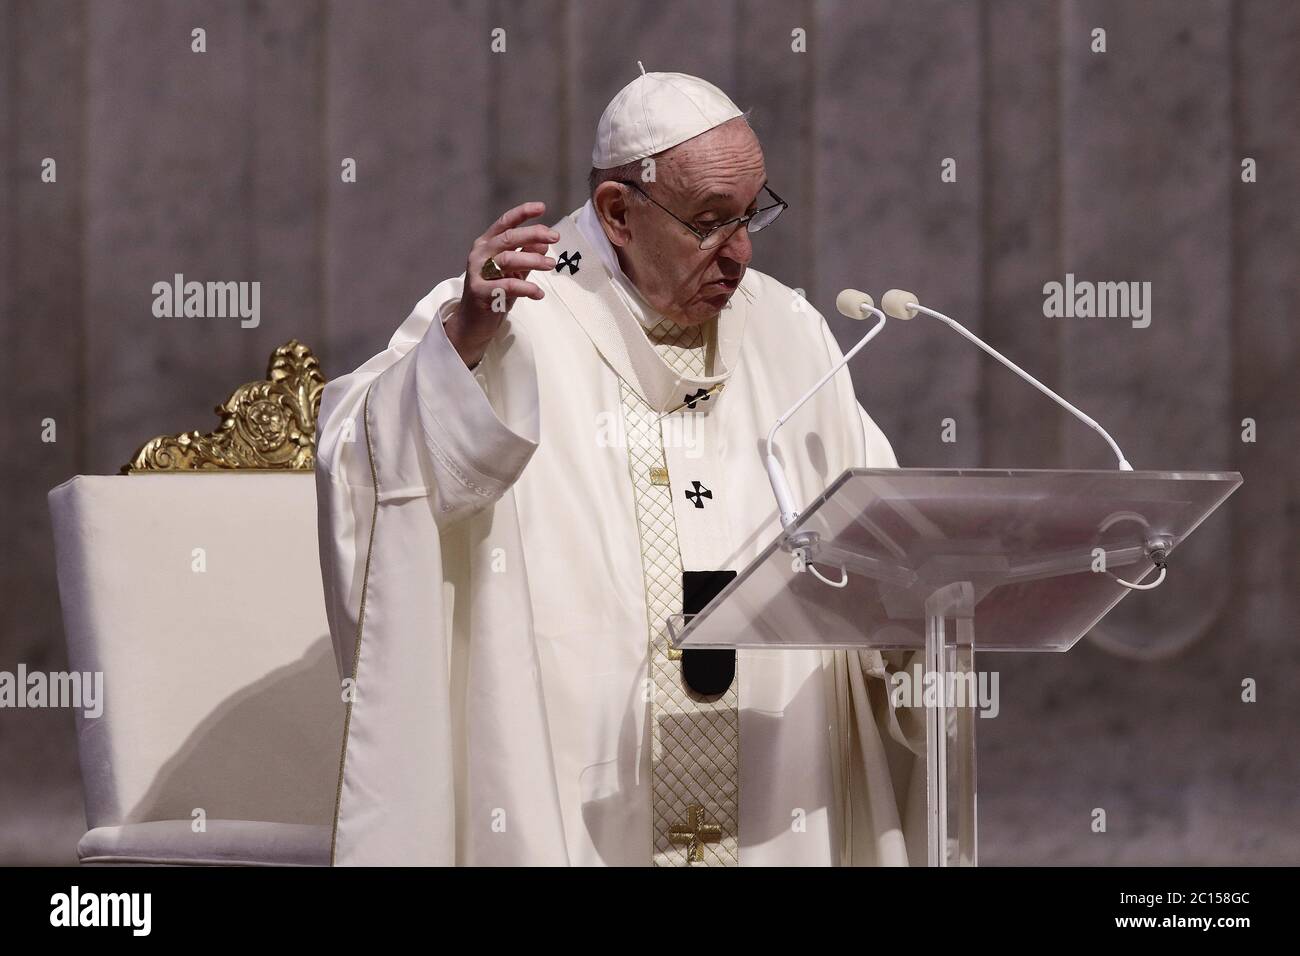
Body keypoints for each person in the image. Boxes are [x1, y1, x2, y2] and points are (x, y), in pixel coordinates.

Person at [316, 68, 923, 866]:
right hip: (579, 783)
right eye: (710, 222)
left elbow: (879, 527)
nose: (739, 252)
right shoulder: (507, 310)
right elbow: (363, 460)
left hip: (778, 785)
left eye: (751, 216)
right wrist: (458, 350)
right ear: (616, 212)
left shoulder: (789, 329)